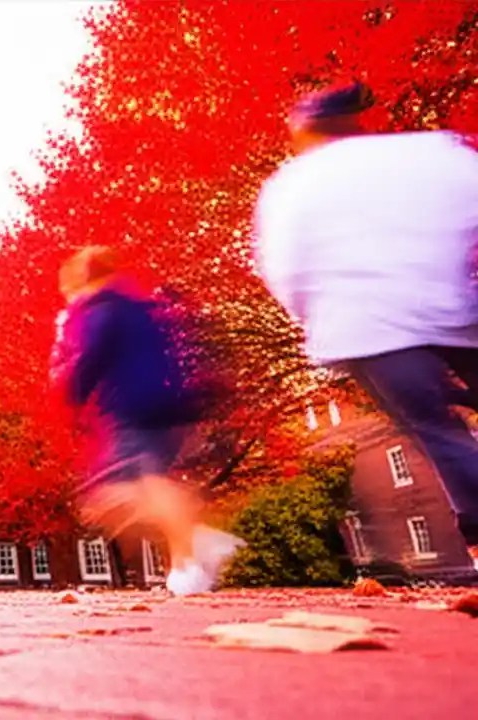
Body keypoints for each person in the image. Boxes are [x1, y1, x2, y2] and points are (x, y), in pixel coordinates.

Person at [255, 81, 478, 571]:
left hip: (373, 332)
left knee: (438, 430)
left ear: (307, 132)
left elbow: (286, 271)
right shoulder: (432, 154)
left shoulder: (293, 186)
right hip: (457, 312)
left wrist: (314, 318)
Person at [53, 246, 243, 595]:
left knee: (122, 489)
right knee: (147, 482)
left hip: (133, 405)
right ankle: (187, 562)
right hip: (169, 403)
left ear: (84, 280)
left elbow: (90, 358)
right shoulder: (139, 307)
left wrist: (71, 389)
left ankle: (200, 542)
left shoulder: (101, 309)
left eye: (70, 289)